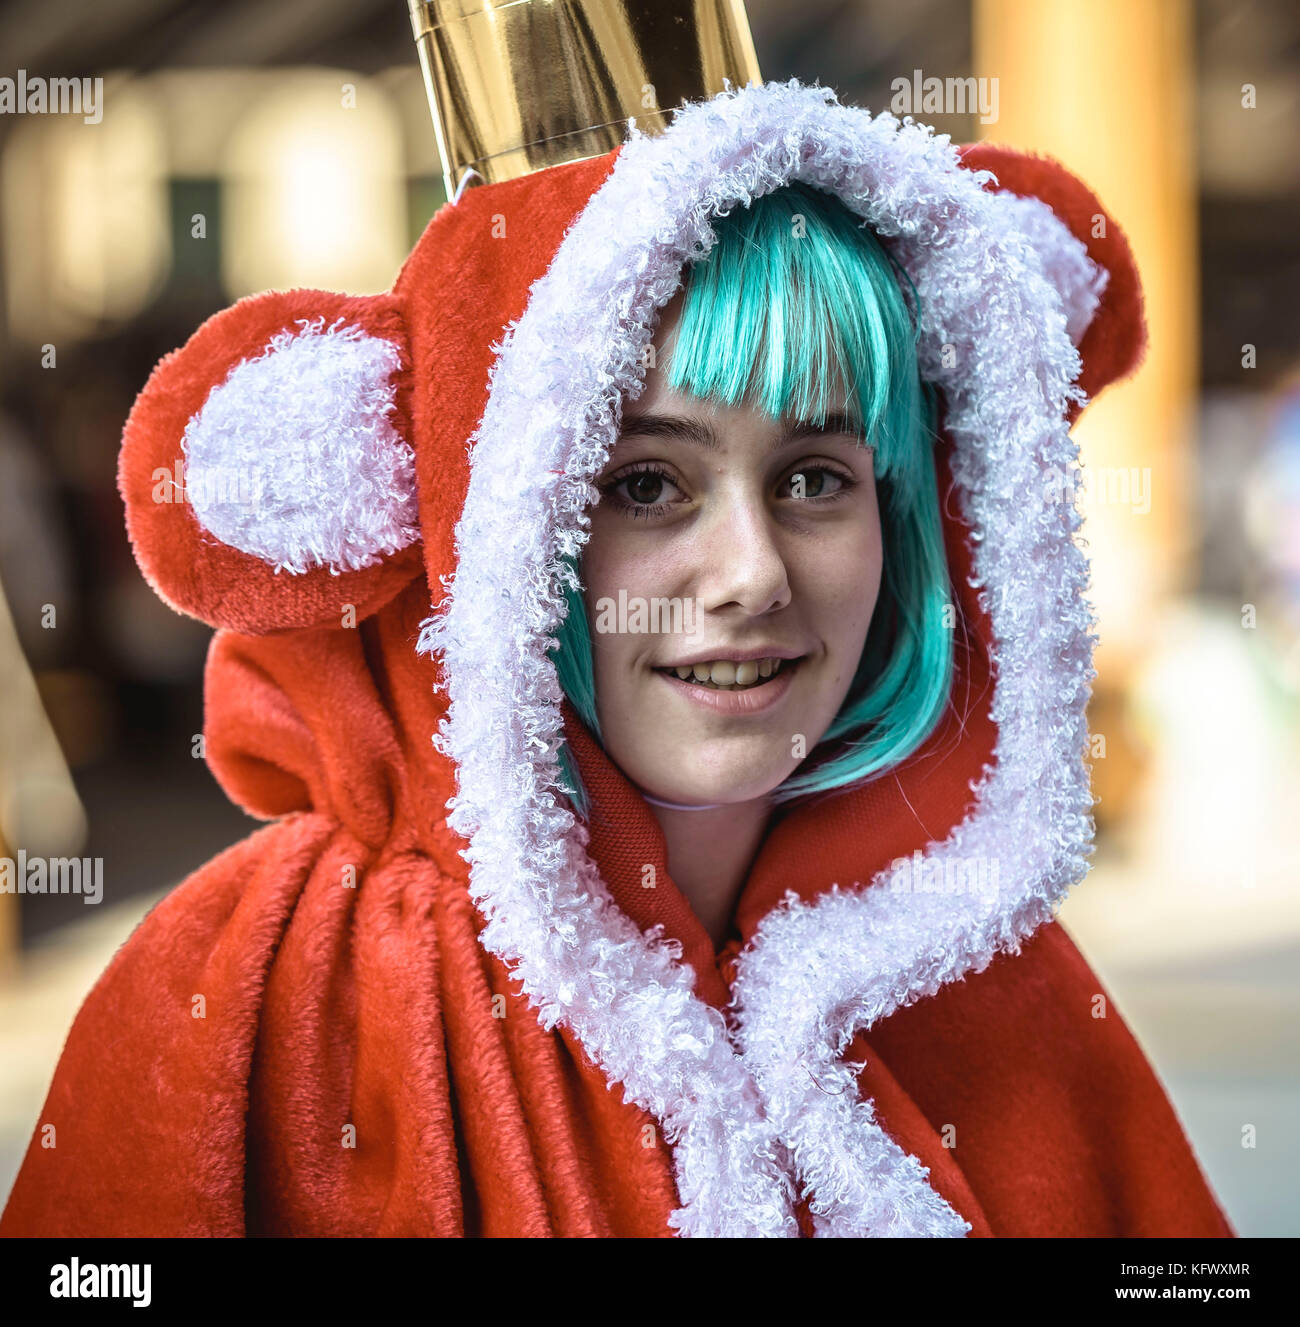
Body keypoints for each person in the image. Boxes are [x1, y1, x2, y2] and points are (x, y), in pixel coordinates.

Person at [1, 78, 1235, 1238]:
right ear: (479, 531)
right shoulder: (252, 987)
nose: (751, 573)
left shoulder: (999, 987)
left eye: (815, 478)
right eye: (644, 484)